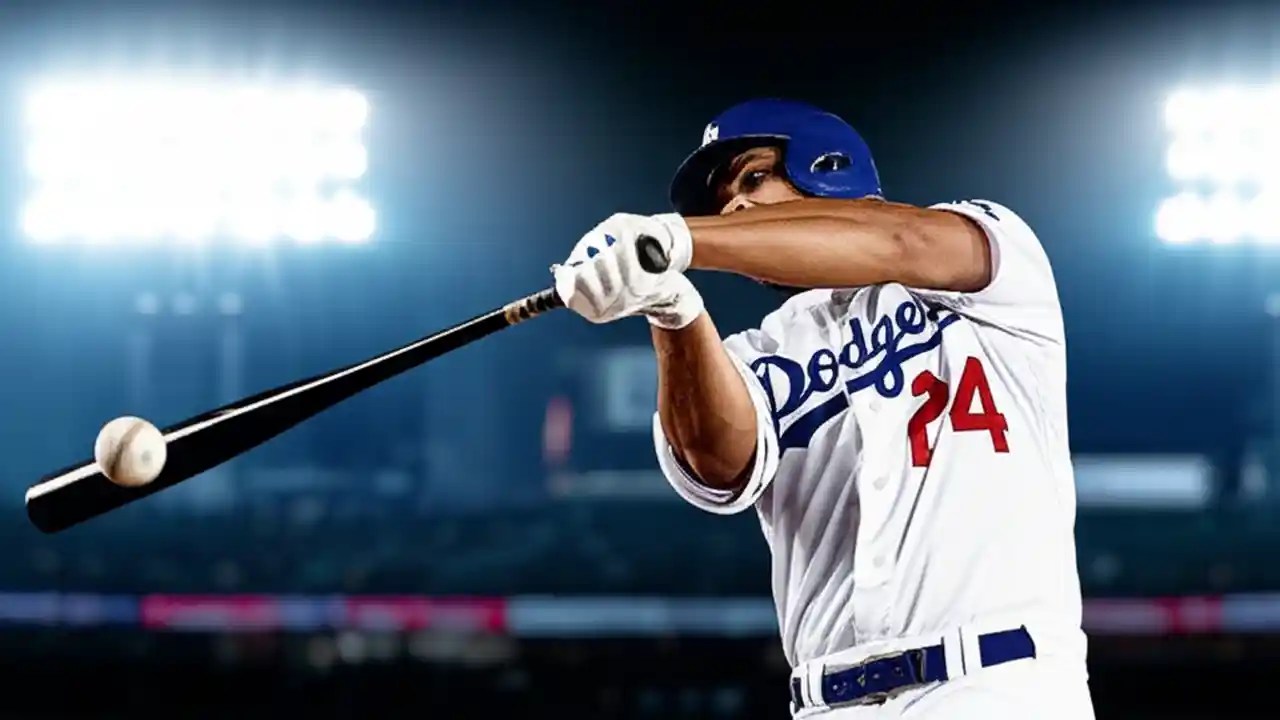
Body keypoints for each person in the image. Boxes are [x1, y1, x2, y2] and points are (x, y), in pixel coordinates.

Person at [552, 98, 1095, 719]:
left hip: (993, 683)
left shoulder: (988, 260)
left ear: (828, 164)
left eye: (753, 177)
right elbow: (718, 462)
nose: (733, 208)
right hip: (826, 700)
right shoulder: (758, 352)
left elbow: (901, 238)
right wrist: (673, 310)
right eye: (724, 198)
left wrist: (675, 238)